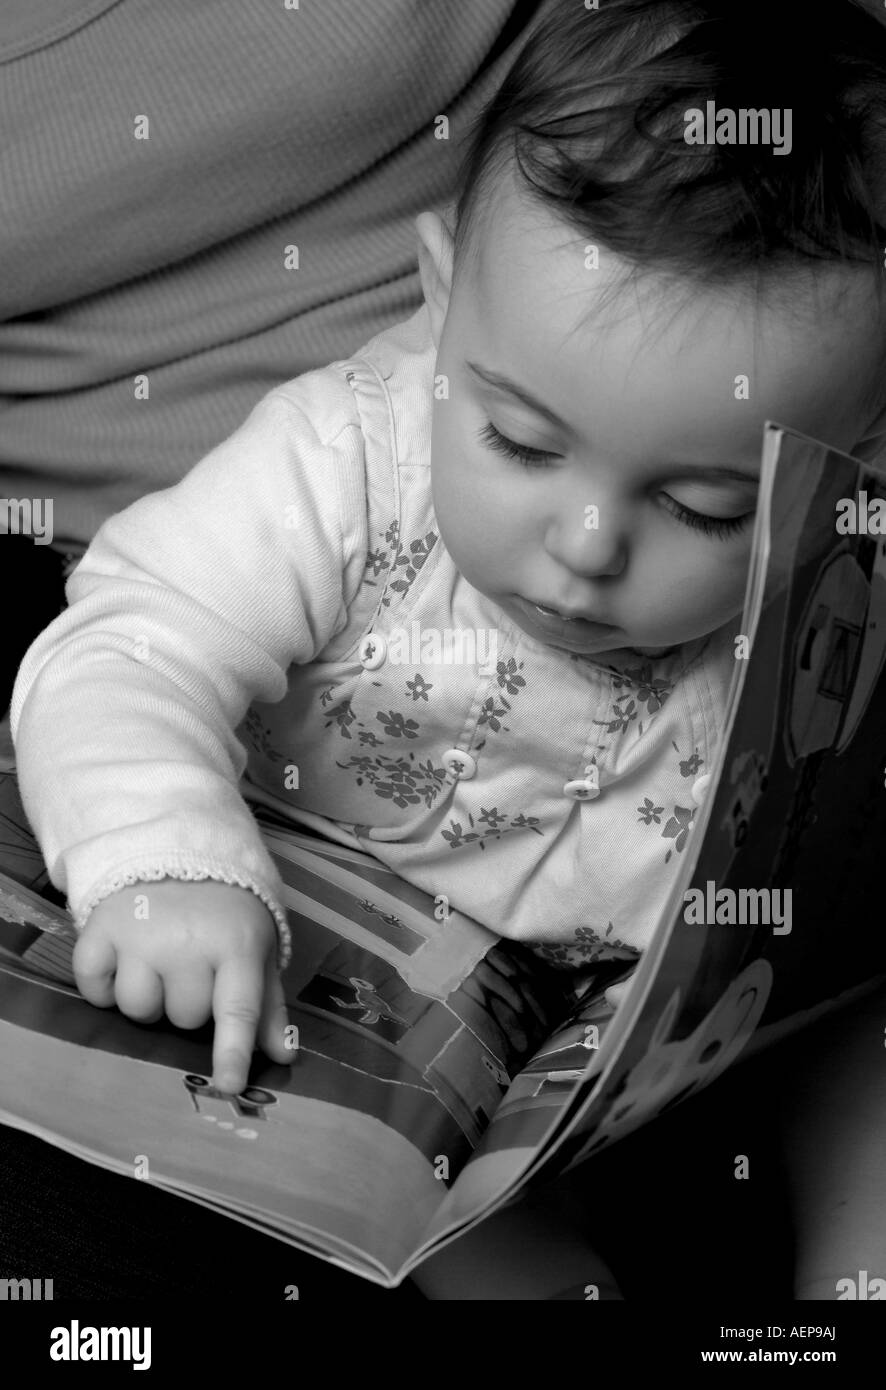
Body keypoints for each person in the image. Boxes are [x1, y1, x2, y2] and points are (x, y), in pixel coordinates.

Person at [9, 0, 886, 1298]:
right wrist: (164, 860)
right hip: (319, 898)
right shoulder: (350, 460)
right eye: (523, 445)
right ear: (438, 295)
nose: (585, 544)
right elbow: (131, 643)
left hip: (623, 1004)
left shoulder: (831, 556)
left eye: (704, 506)